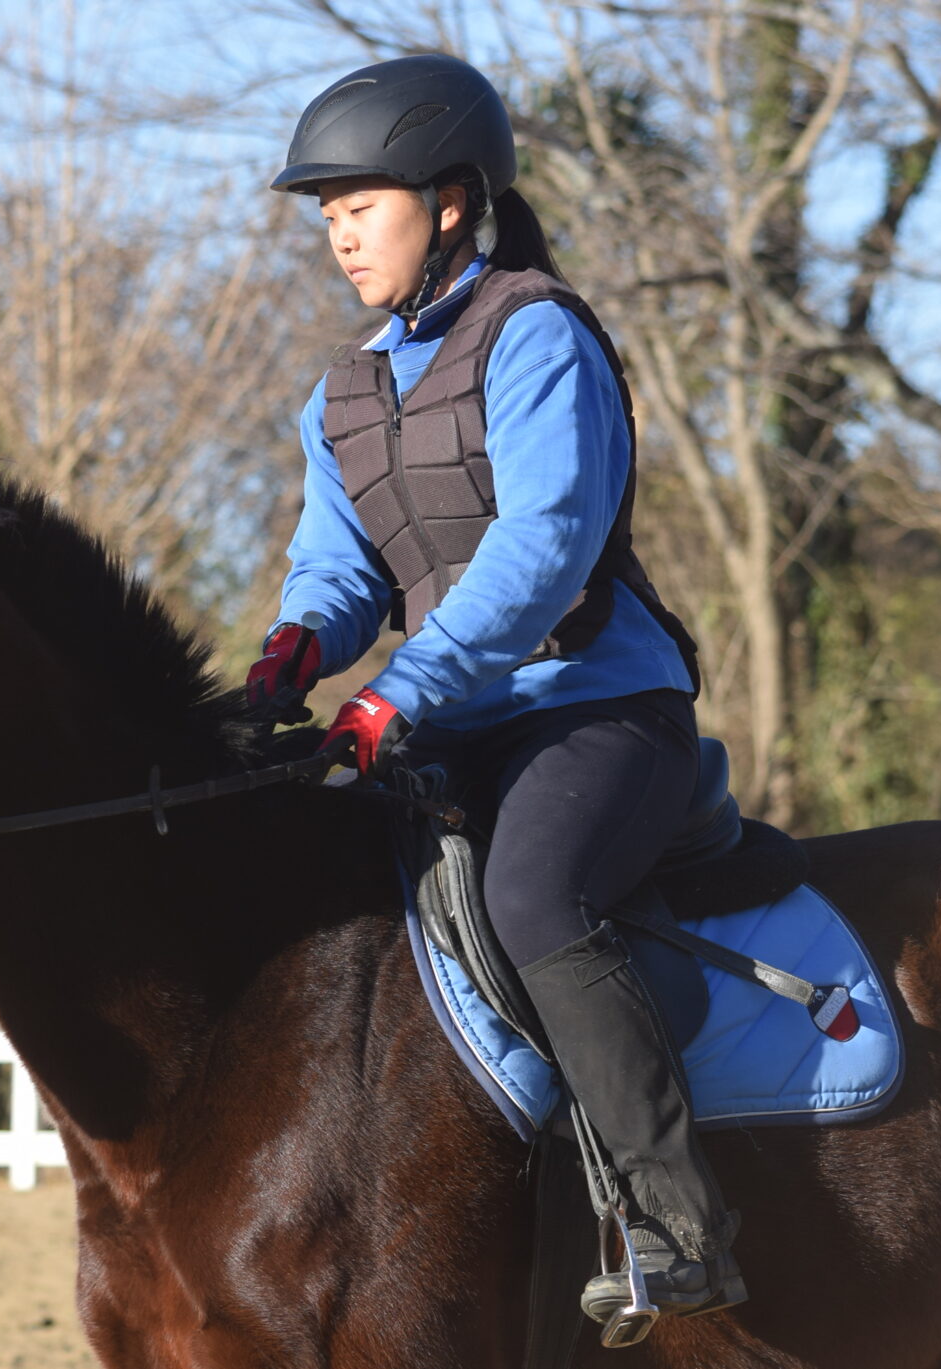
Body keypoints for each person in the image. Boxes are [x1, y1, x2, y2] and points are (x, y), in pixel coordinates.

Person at [243, 53, 745, 1327]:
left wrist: (399, 687)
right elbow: (337, 566)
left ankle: (673, 1213)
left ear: (453, 200)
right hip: (444, 716)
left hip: (595, 711)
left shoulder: (537, 334)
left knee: (530, 891)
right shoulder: (343, 390)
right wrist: (295, 652)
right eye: (327, 212)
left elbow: (541, 548)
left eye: (362, 203)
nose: (338, 231)